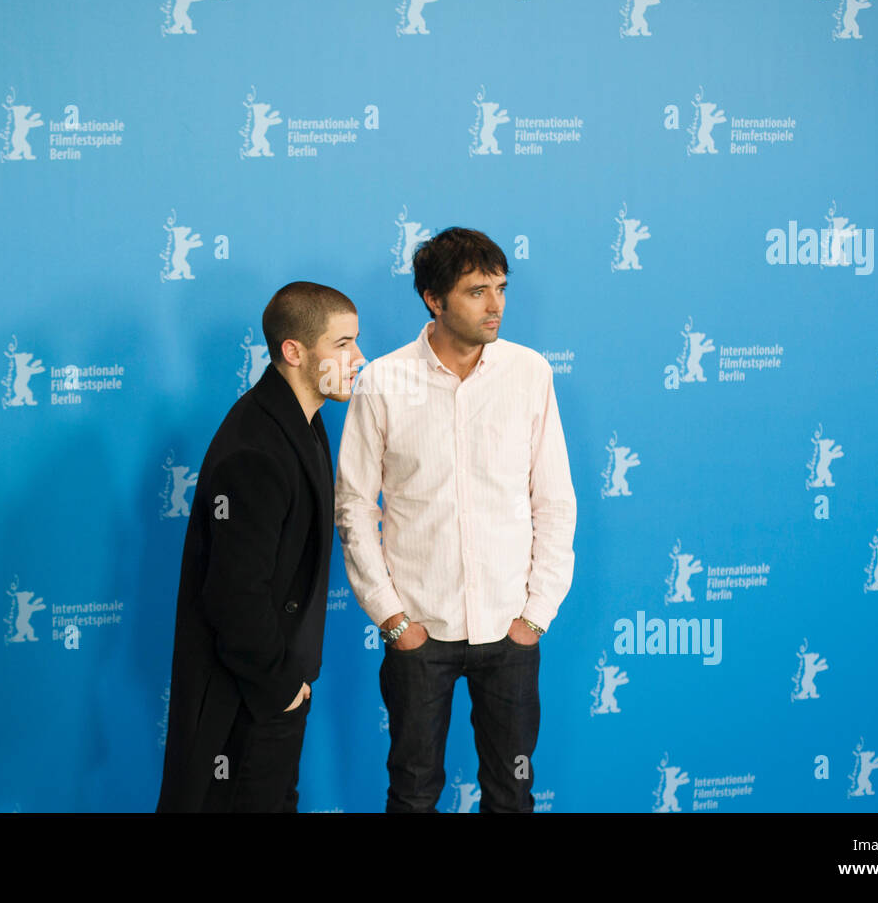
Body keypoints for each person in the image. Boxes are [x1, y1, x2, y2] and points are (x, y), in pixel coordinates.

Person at [335, 227, 576, 812]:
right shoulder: (384, 382)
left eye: (500, 288)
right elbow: (354, 507)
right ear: (434, 300)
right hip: (420, 631)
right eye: (476, 291)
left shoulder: (529, 374)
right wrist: (393, 619)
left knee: (512, 793)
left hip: (510, 631)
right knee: (413, 794)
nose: (495, 305)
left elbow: (554, 500)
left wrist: (534, 617)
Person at [158, 281, 363, 812]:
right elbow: (234, 594)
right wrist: (282, 689)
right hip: (246, 700)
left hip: (268, 693)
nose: (358, 358)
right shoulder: (257, 447)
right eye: (342, 344)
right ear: (294, 352)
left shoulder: (301, 423)